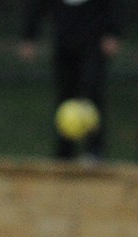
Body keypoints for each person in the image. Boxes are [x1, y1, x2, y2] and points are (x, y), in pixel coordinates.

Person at [19, 0, 122, 160]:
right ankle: (65, 153)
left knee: (92, 91)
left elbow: (114, 5)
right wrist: (29, 36)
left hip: (93, 39)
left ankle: (94, 151)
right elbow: (37, 5)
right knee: (64, 94)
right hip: (63, 39)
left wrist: (113, 32)